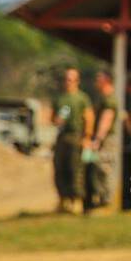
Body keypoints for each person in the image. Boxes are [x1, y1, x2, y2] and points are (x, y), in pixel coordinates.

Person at [50, 68, 93, 215]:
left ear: (77, 81)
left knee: (76, 169)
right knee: (60, 168)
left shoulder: (82, 98)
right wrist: (57, 120)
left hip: (76, 137)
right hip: (62, 137)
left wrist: (87, 137)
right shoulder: (60, 98)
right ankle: (64, 200)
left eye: (71, 79)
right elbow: (53, 118)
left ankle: (77, 200)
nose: (68, 82)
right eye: (66, 79)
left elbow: (88, 117)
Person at [85, 70, 120, 213]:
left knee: (104, 167)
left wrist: (98, 139)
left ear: (106, 80)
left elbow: (106, 120)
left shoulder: (109, 99)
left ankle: (107, 201)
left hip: (106, 140)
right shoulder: (102, 97)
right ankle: (100, 199)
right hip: (101, 139)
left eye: (99, 78)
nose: (96, 81)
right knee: (95, 167)